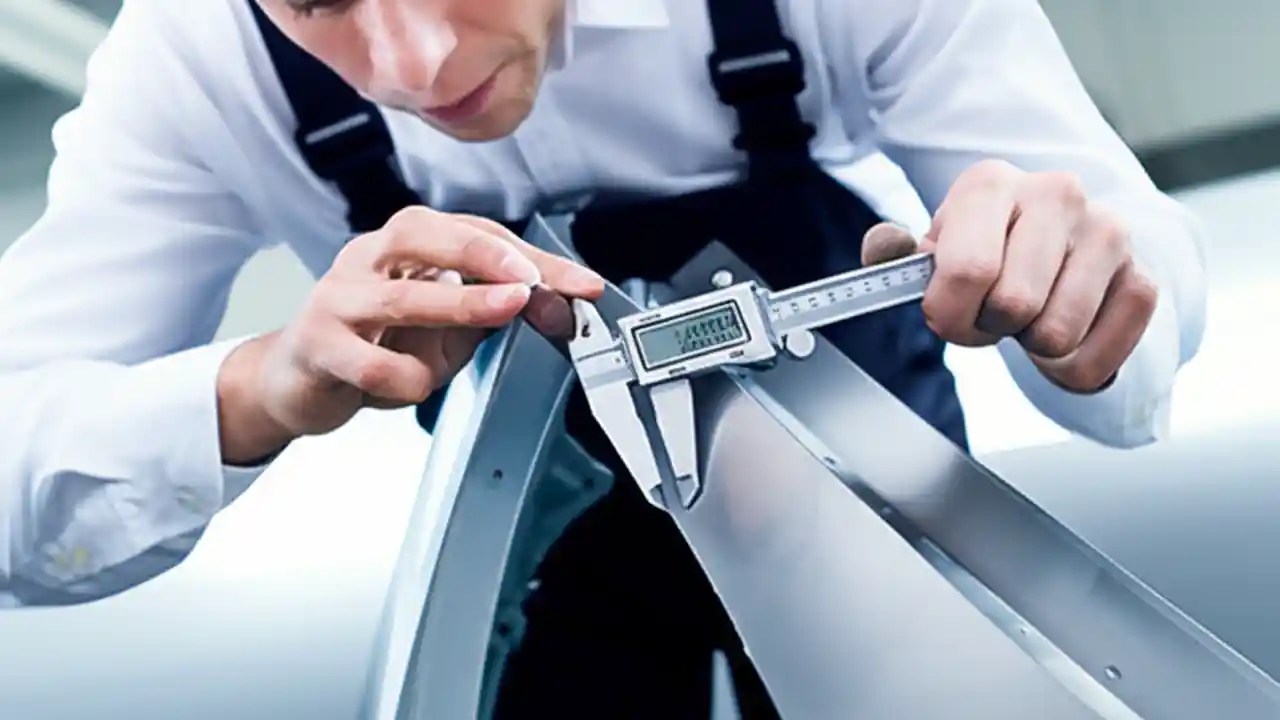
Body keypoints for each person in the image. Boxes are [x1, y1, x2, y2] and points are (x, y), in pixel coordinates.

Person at [0, 0, 1206, 715]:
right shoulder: (189, 59)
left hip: (875, 518)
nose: (415, 65)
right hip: (546, 573)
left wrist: (1087, 289)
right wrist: (252, 387)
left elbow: (1134, 311)